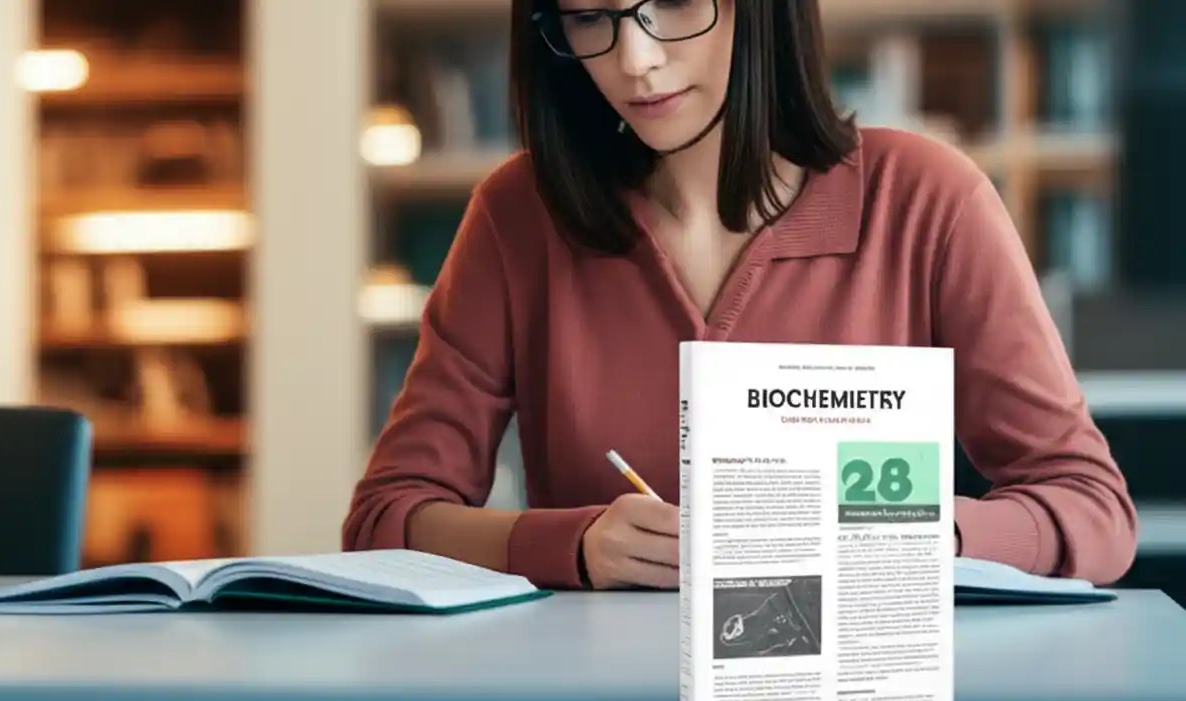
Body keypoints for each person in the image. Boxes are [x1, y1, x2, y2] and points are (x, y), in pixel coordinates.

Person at [342, 0, 1138, 590]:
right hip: (590, 691)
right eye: (591, 18)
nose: (635, 60)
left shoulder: (929, 200)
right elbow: (385, 520)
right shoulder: (518, 217)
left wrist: (907, 536)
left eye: (676, 5)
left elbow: (1093, 513)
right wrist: (574, 546)